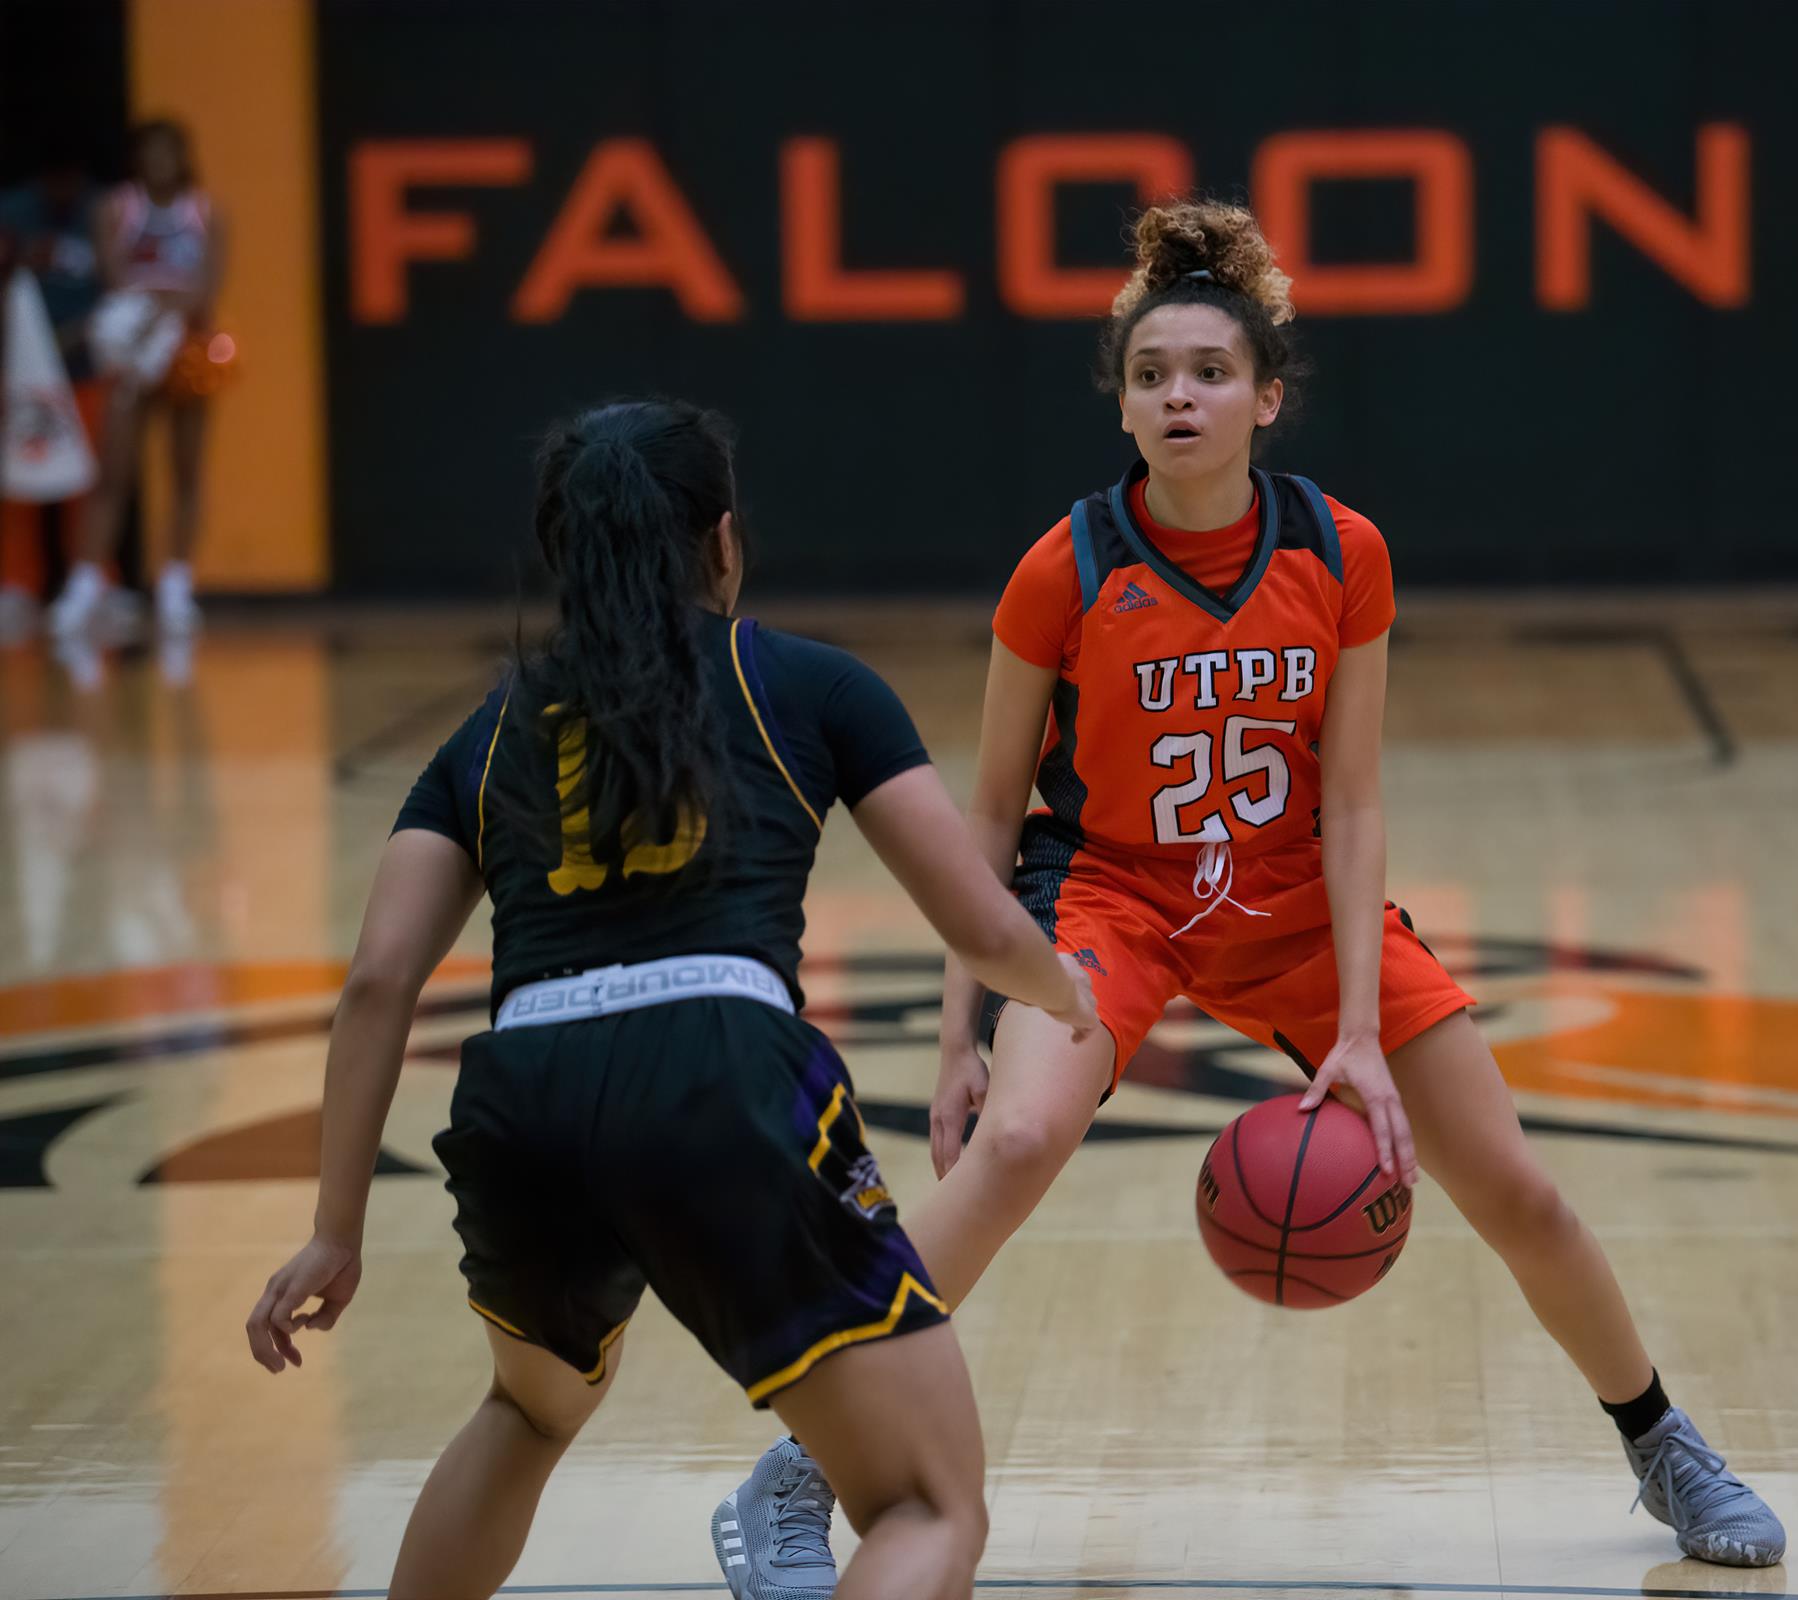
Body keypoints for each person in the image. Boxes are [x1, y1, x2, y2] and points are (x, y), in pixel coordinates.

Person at [716, 203, 1788, 1594]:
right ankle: (798, 1467)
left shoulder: (1342, 553)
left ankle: (1661, 1441)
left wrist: (1352, 1028)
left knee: (1517, 1187)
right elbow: (987, 810)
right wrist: (960, 1024)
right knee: (1019, 1145)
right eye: (1153, 373)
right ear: (1123, 402)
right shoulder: (1065, 567)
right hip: (1109, 894)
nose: (1180, 395)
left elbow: (1351, 802)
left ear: (1266, 399)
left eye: (1211, 372)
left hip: (1289, 902)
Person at [243, 398, 1097, 1600]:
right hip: (716, 1074)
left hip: (523, 1095)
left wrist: (336, 1227)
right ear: (725, 544)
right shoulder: (798, 681)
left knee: (528, 1413)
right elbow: (981, 923)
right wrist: (1064, 994)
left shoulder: (487, 734)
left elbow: (382, 980)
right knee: (922, 1504)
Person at [48, 118, 226, 638]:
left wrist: (170, 315)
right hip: (132, 346)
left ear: (183, 157)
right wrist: (144, 320)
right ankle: (85, 585)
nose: (161, 162)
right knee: (114, 469)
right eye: (151, 152)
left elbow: (207, 285)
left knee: (186, 470)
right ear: (138, 158)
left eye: (170, 152)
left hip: (187, 347)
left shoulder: (206, 213)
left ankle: (176, 587)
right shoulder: (116, 210)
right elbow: (114, 275)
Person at [0, 150, 106, 637]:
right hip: (21, 368)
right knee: (16, 477)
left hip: (84, 362)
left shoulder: (104, 210)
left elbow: (119, 279)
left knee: (84, 477)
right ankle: (17, 583)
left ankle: (94, 581)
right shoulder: (13, 210)